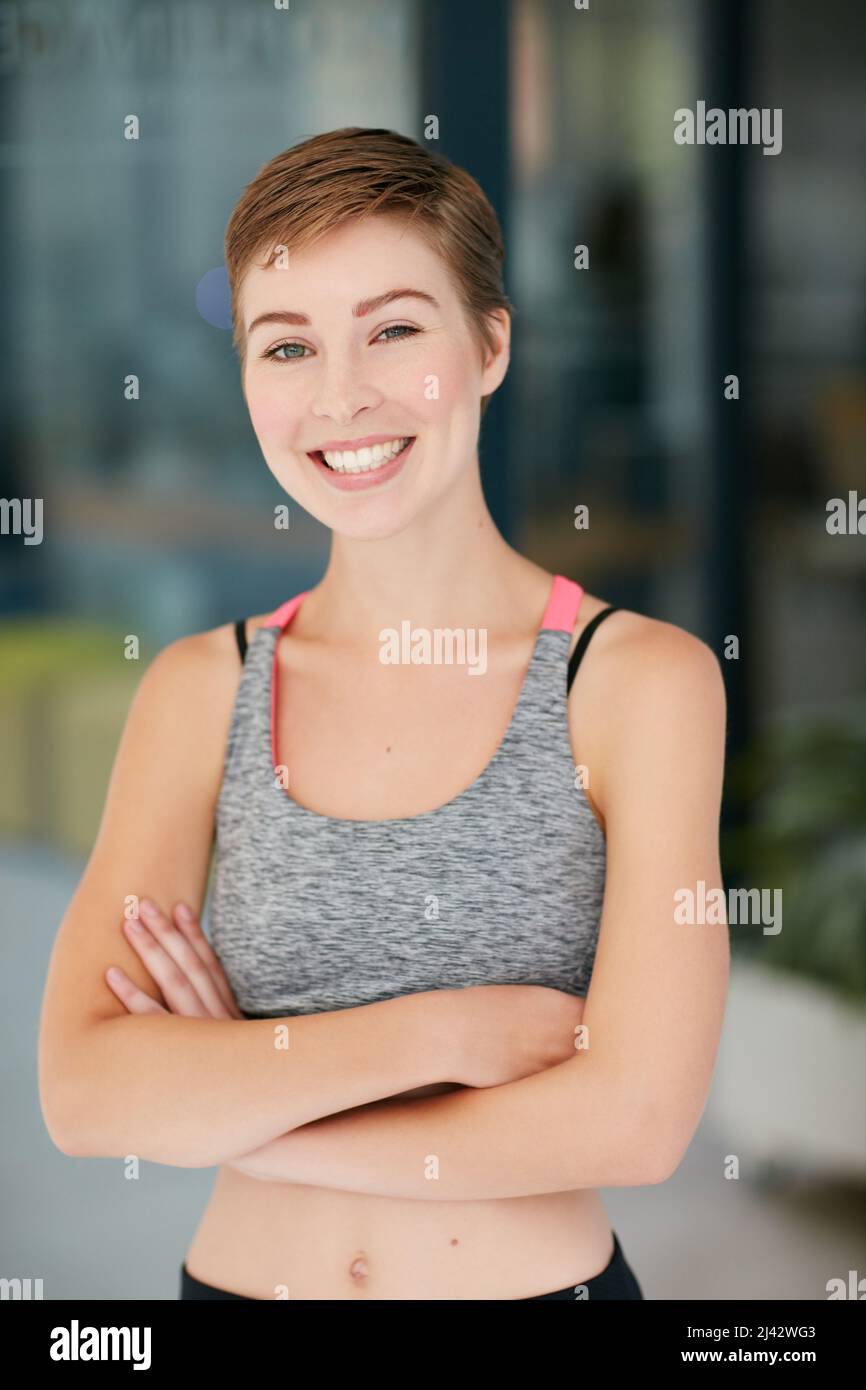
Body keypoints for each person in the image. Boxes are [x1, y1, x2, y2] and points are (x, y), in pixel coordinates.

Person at [38, 127, 729, 1301]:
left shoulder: (634, 682)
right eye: (287, 346)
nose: (339, 395)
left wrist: (247, 1112)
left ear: (490, 345)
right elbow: (83, 1093)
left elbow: (636, 1119)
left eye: (394, 330)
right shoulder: (202, 689)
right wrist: (439, 1036)